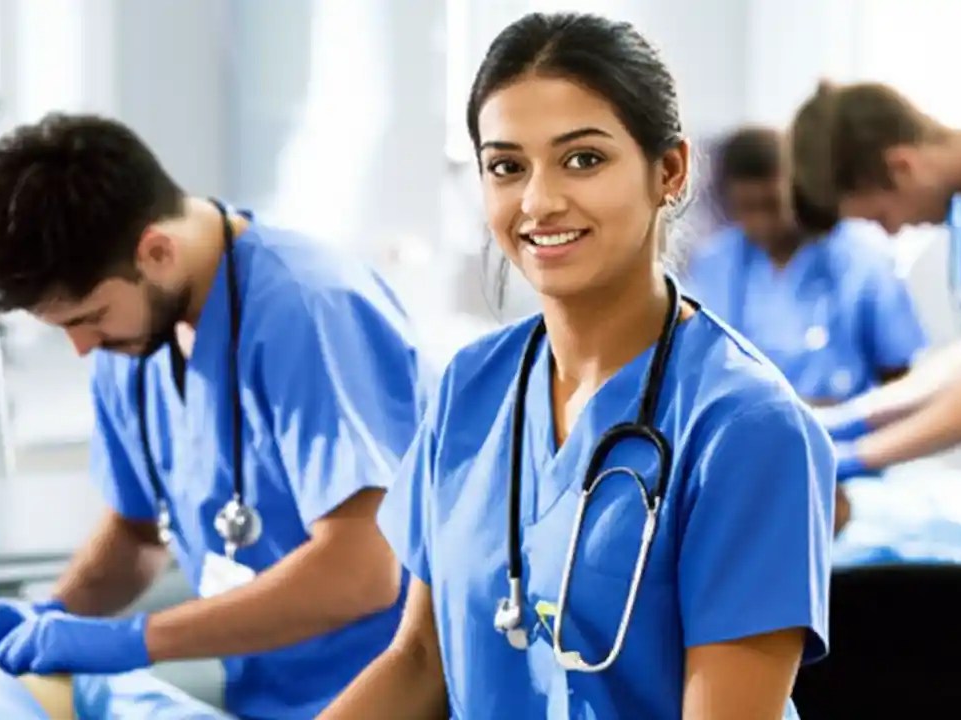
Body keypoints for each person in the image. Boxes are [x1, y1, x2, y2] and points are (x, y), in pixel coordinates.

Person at [320, 12, 834, 719]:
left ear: (670, 170)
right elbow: (418, 661)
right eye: (507, 166)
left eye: (583, 159)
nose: (539, 201)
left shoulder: (746, 426)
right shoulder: (471, 388)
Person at [0, 113, 428, 719]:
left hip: (388, 696)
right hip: (263, 699)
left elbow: (362, 571)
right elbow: (135, 534)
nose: (81, 347)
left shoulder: (308, 308)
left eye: (87, 318)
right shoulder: (129, 339)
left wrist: (136, 640)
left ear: (156, 250)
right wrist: (56, 613)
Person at [687, 126, 928, 530]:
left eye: (773, 203)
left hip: (856, 468)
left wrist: (844, 432)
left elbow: (905, 380)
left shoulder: (862, 258)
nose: (763, 221)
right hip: (749, 460)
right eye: (747, 208)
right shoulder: (715, 263)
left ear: (799, 189)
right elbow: (699, 374)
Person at [789, 80, 961, 481]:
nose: (893, 232)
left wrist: (854, 457)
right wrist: (849, 418)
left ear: (902, 166)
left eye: (880, 216)